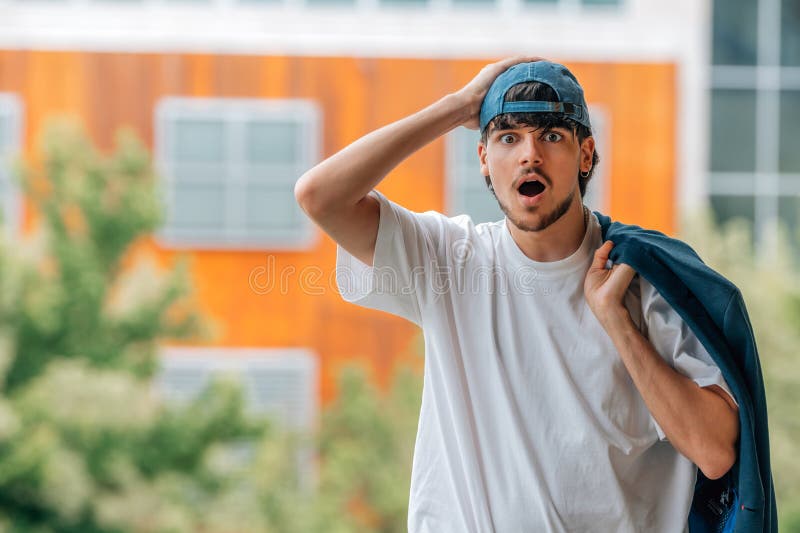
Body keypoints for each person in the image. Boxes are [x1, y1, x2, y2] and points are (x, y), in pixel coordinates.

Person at [294, 57, 743, 532]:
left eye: (551, 136)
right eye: (508, 137)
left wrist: (616, 322)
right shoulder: (450, 262)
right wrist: (458, 107)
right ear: (485, 159)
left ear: (586, 155)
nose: (530, 155)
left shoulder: (642, 280)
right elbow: (319, 196)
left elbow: (714, 452)